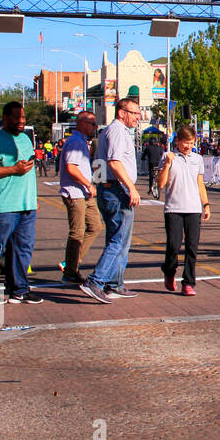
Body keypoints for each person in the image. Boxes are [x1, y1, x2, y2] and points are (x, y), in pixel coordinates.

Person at [80, 98, 143, 304]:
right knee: (119, 240)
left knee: (118, 240)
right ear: (121, 112)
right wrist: (130, 188)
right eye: (134, 113)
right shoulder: (116, 131)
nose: (137, 117)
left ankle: (114, 283)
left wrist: (100, 185)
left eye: (138, 113)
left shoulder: (109, 132)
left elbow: (98, 162)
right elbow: (114, 162)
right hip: (117, 190)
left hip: (110, 188)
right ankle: (95, 281)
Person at [0, 101, 41, 304]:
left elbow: (28, 168)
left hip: (26, 205)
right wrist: (12, 169)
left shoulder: (25, 139)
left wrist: (33, 198)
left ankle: (19, 290)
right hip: (1, 207)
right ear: (5, 118)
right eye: (16, 117)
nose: (21, 121)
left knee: (23, 249)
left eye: (23, 117)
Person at [157, 125, 210, 296]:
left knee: (192, 247)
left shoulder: (197, 159)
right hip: (174, 208)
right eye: (185, 142)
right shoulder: (168, 156)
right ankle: (169, 271)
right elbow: (161, 184)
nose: (188, 146)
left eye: (191, 143)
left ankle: (188, 282)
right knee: (173, 244)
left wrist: (206, 204)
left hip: (193, 208)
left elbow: (200, 183)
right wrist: (167, 164)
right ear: (177, 141)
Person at [57, 112, 101, 284]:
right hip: (75, 193)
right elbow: (71, 168)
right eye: (92, 124)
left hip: (84, 193)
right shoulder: (75, 142)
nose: (94, 127)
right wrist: (87, 184)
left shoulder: (82, 142)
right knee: (77, 232)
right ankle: (70, 271)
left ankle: (71, 262)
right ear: (82, 124)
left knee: (95, 225)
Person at [142, 133, 165, 197]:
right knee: (159, 174)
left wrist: (143, 158)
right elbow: (162, 155)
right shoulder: (160, 148)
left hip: (151, 163)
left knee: (151, 176)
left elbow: (143, 156)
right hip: (159, 163)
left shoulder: (148, 148)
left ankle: (150, 189)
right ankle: (160, 186)